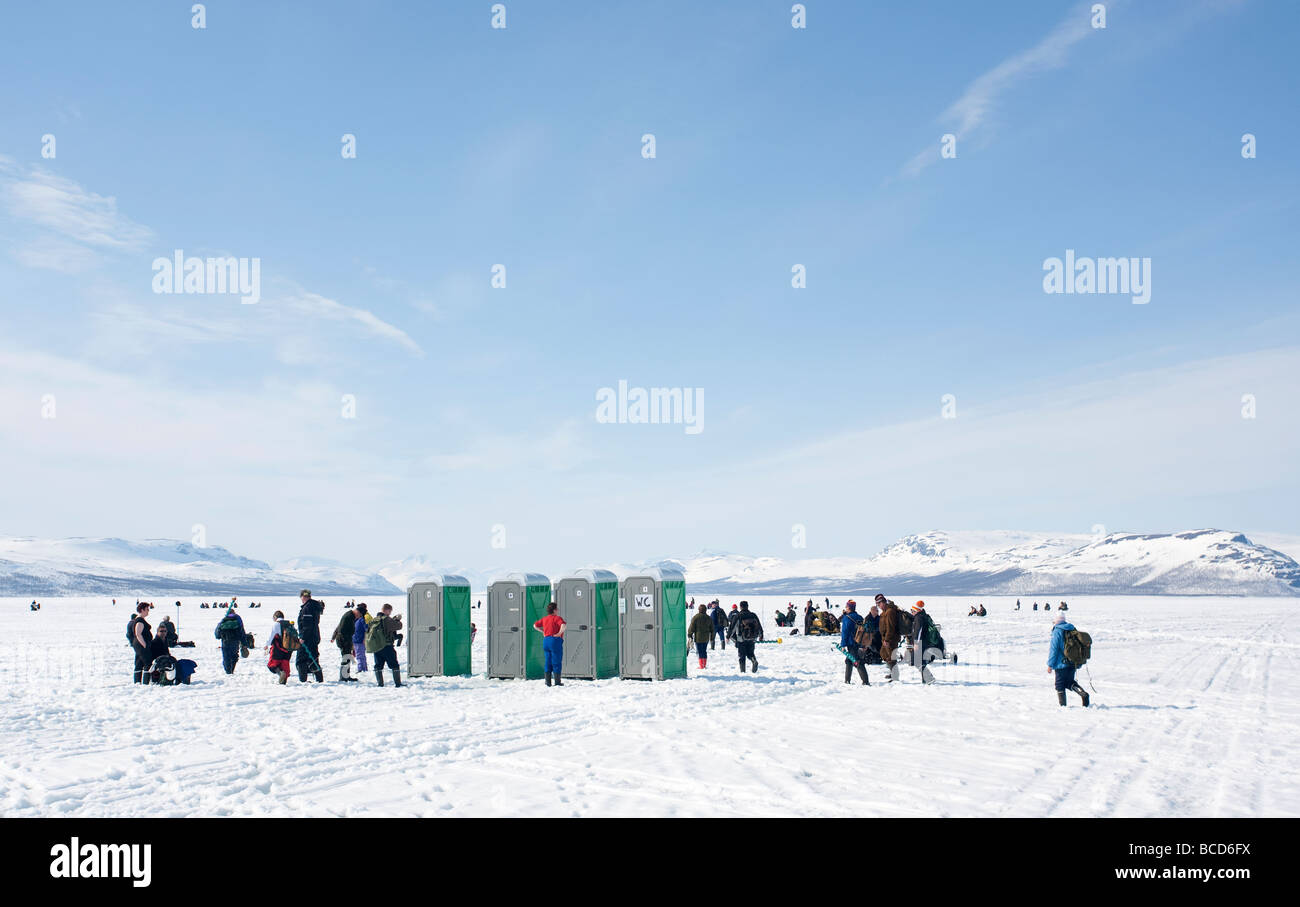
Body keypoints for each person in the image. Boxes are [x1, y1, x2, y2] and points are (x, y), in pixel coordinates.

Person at [1047, 614, 1089, 707]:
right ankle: (1083, 693)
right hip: (1073, 661)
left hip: (1060, 664)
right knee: (1069, 682)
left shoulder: (1057, 631)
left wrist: (1050, 664)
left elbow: (1053, 649)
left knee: (1060, 685)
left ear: (1056, 621)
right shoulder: (1071, 628)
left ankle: (1063, 707)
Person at [368, 604, 403, 688]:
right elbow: (398, 626)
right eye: (390, 611)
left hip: (376, 646)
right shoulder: (386, 619)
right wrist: (397, 620)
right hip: (386, 646)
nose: (390, 613)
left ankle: (380, 684)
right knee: (394, 664)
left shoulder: (374, 620)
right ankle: (398, 684)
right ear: (387, 610)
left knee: (378, 665)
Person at [533, 602, 566, 686]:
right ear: (554, 610)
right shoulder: (557, 618)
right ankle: (557, 682)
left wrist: (543, 632)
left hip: (546, 641)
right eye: (557, 609)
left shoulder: (544, 619)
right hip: (555, 640)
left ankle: (548, 682)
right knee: (556, 661)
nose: (558, 610)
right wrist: (559, 633)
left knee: (548, 660)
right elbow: (563, 625)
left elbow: (535, 625)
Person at [296, 589, 325, 683]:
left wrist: (303, 637)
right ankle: (319, 679)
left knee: (301, 659)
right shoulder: (313, 606)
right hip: (314, 636)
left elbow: (307, 625)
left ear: (303, 597)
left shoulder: (307, 608)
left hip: (308, 638)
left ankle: (303, 680)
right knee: (313, 657)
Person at [839, 600, 869, 685]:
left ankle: (865, 682)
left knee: (857, 661)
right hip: (859, 641)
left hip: (851, 643)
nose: (845, 608)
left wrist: (843, 644)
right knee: (849, 660)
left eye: (846, 606)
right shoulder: (860, 617)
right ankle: (847, 680)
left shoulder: (847, 618)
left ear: (849, 607)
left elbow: (845, 632)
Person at [729, 601, 764, 673]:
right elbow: (759, 625)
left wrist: (728, 636)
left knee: (742, 656)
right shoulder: (753, 615)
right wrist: (761, 635)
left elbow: (732, 627)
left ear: (740, 607)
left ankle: (743, 672)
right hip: (752, 638)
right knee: (750, 653)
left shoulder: (738, 615)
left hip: (741, 639)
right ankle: (754, 661)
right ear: (747, 606)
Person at [907, 601, 937, 684]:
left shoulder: (918, 618)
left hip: (920, 643)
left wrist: (916, 643)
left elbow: (918, 631)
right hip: (924, 642)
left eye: (912, 611)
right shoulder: (923, 615)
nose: (912, 612)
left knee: (916, 661)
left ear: (917, 610)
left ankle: (929, 678)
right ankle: (926, 679)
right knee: (920, 661)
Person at [214, 604, 245, 675]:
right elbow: (241, 631)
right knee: (234, 655)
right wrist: (244, 642)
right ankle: (232, 669)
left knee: (226, 656)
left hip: (225, 641)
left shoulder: (224, 620)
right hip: (235, 641)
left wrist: (218, 636)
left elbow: (217, 632)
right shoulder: (237, 620)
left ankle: (228, 670)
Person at [877, 596, 902, 683]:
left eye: (879, 604)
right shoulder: (885, 612)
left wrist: (887, 640)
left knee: (891, 657)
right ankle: (892, 673)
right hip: (886, 638)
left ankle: (895, 676)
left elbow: (890, 627)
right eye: (877, 604)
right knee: (884, 654)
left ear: (883, 602)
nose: (878, 606)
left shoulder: (890, 611)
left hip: (891, 639)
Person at [331, 605, 359, 682]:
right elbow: (342, 630)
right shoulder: (349, 617)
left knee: (347, 657)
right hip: (344, 640)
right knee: (346, 657)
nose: (359, 617)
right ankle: (343, 677)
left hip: (345, 640)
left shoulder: (350, 616)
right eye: (359, 615)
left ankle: (346, 675)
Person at [128, 602, 153, 684]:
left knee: (139, 662)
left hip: (138, 644)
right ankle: (145, 682)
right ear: (142, 610)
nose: (148, 611)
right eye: (147, 609)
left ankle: (137, 682)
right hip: (141, 644)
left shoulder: (139, 619)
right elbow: (138, 634)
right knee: (147, 662)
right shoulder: (139, 621)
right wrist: (144, 645)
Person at [267, 611, 292, 684]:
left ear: (275, 617)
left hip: (278, 648)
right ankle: (283, 681)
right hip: (288, 649)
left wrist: (267, 645)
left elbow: (272, 636)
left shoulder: (276, 624)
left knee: (272, 665)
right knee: (284, 665)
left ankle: (281, 673)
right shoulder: (289, 624)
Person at [688, 604, 714, 669]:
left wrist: (690, 634)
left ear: (699, 610)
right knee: (704, 651)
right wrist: (712, 638)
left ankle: (701, 666)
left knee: (699, 651)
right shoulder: (709, 618)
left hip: (698, 638)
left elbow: (692, 627)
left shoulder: (696, 617)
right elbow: (712, 629)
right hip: (706, 638)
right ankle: (704, 665)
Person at [352, 603, 370, 675]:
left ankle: (361, 669)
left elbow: (367, 630)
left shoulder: (363, 620)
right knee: (358, 655)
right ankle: (363, 668)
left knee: (360, 655)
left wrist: (364, 639)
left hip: (360, 640)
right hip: (355, 640)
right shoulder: (357, 620)